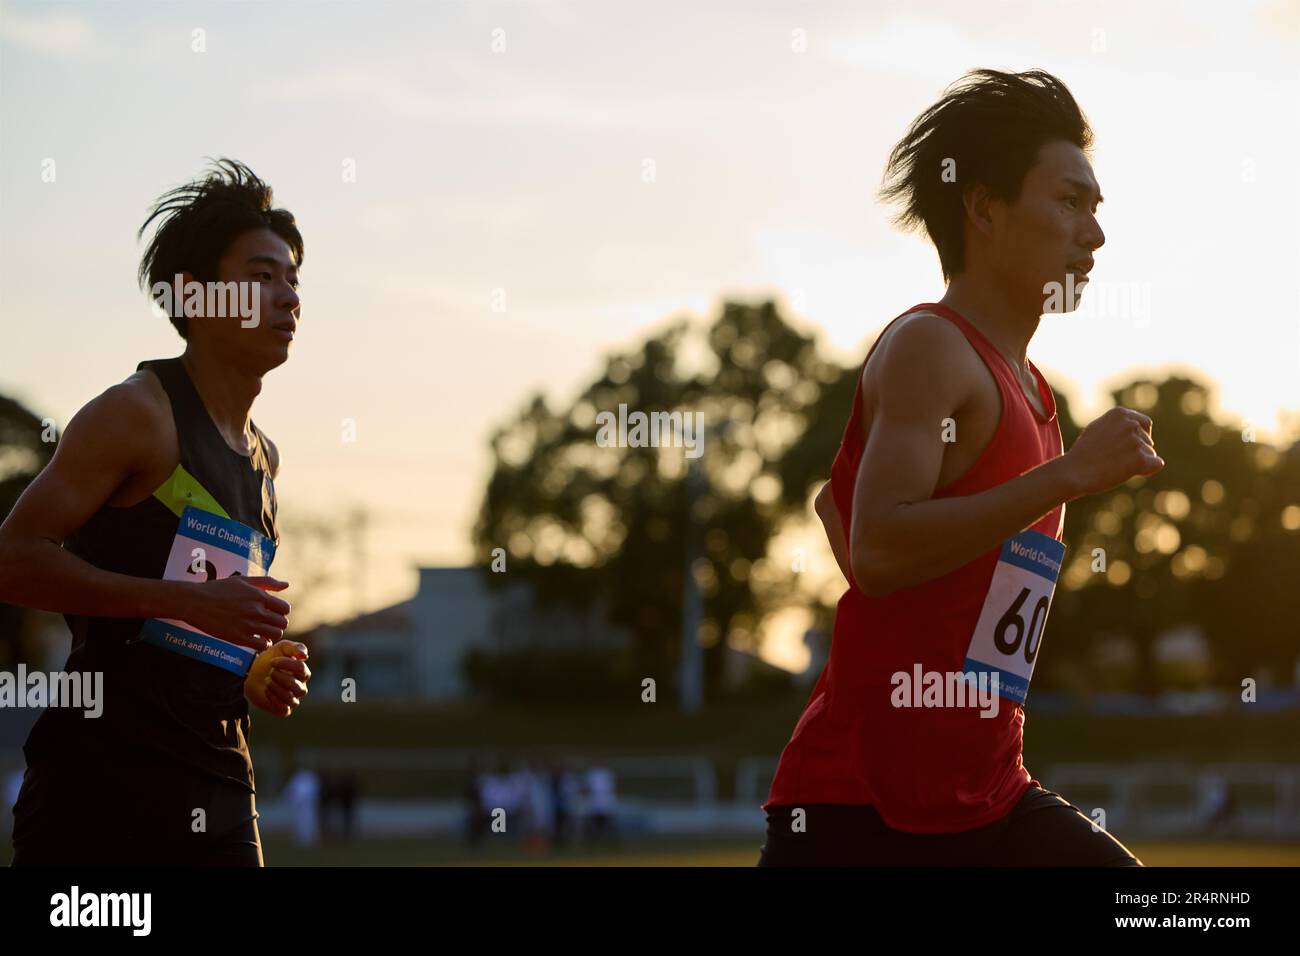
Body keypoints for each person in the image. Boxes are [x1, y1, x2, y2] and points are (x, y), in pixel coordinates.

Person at [759, 70, 1161, 866]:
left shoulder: (1034, 396)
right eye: (1070, 202)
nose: (1095, 234)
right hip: (860, 819)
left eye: (1097, 209)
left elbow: (855, 529)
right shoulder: (931, 347)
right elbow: (878, 550)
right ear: (982, 207)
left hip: (986, 801)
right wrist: (1070, 477)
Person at [0, 159, 312, 866]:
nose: (288, 297)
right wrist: (188, 603)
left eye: (294, 279)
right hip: (97, 799)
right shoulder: (136, 415)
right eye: (262, 277)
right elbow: (12, 560)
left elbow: (190, 628)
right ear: (196, 297)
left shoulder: (267, 461)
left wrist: (253, 667)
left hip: (223, 791)